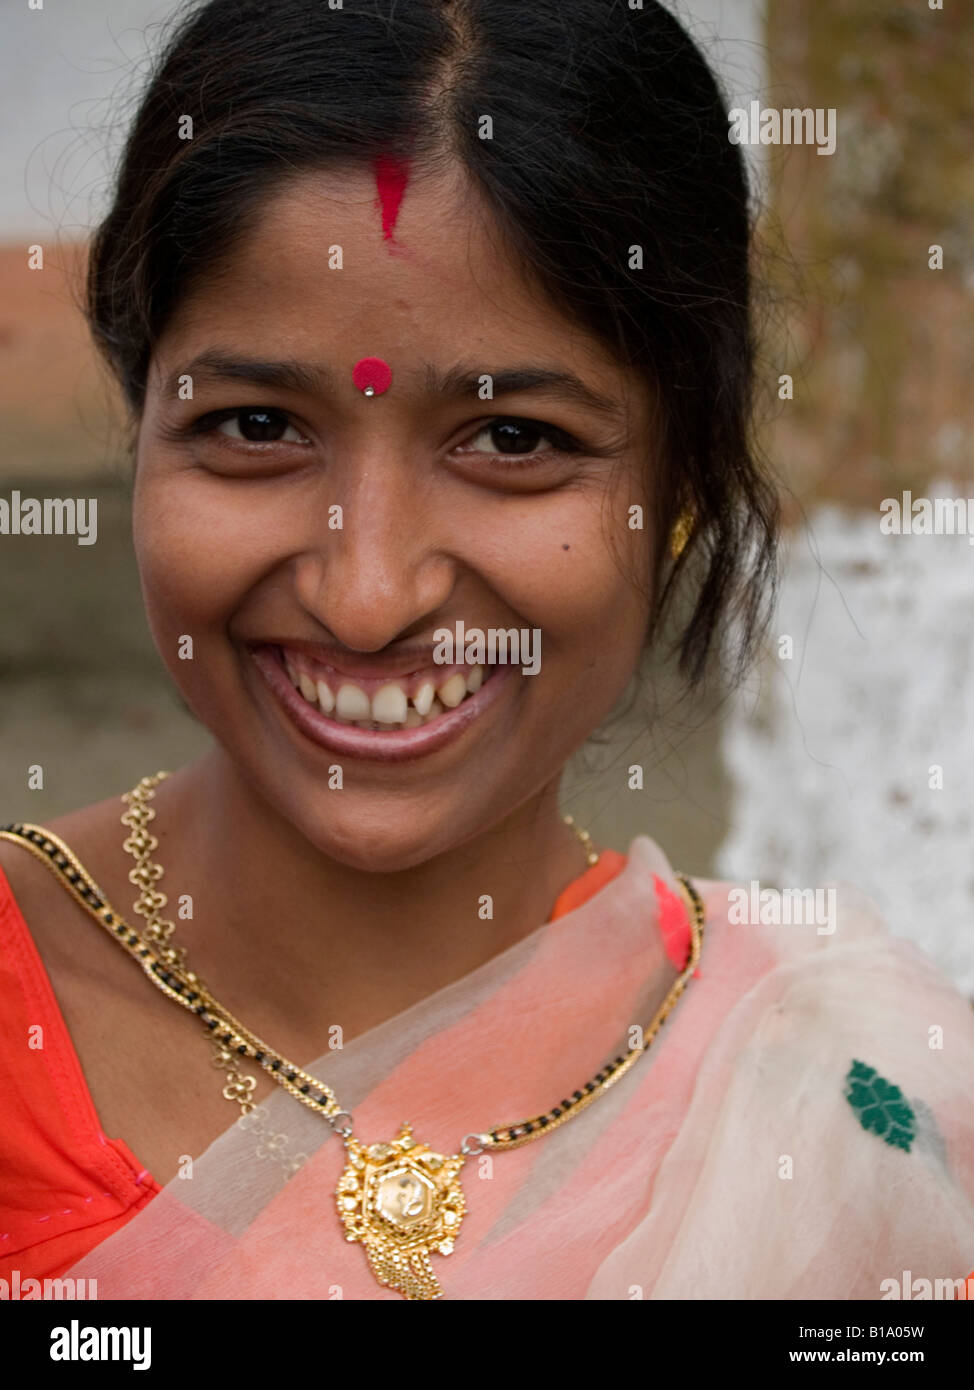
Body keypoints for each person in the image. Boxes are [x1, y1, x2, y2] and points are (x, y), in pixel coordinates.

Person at [1, 0, 972, 1302]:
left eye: (513, 440)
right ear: (140, 430)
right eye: (252, 425)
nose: (366, 592)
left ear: (682, 480)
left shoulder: (852, 1102)